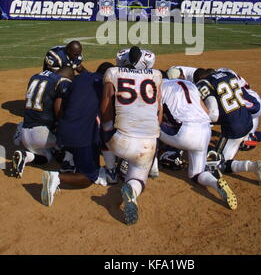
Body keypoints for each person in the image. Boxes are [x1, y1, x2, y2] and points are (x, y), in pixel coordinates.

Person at [159, 77, 237, 210]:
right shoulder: (190, 84)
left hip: (184, 134)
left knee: (152, 127)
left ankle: (153, 164)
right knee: (196, 174)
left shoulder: (160, 87)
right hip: (205, 131)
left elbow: (157, 115)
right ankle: (215, 183)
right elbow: (207, 112)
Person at [100, 64, 163, 225]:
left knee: (104, 132)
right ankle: (132, 192)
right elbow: (159, 111)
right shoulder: (156, 75)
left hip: (121, 142)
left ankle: (112, 171)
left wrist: (106, 129)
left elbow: (105, 106)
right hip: (148, 144)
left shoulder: (113, 72)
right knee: (138, 177)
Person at [40, 64, 110, 206]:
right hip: (81, 135)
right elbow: (107, 113)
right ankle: (56, 178)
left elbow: (60, 104)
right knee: (89, 177)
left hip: (63, 131)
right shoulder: (106, 84)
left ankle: (68, 158)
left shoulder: (78, 79)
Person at [194, 68, 261, 186]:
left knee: (219, 165)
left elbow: (213, 115)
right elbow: (247, 99)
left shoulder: (203, 84)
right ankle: (253, 166)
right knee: (226, 158)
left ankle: (252, 166)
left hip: (233, 127)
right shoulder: (228, 74)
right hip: (247, 121)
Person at [12, 66, 74, 178]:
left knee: (47, 157)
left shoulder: (36, 76)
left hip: (26, 132)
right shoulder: (63, 82)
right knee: (71, 130)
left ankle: (26, 154)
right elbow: (58, 111)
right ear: (69, 77)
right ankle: (67, 162)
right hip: (42, 135)